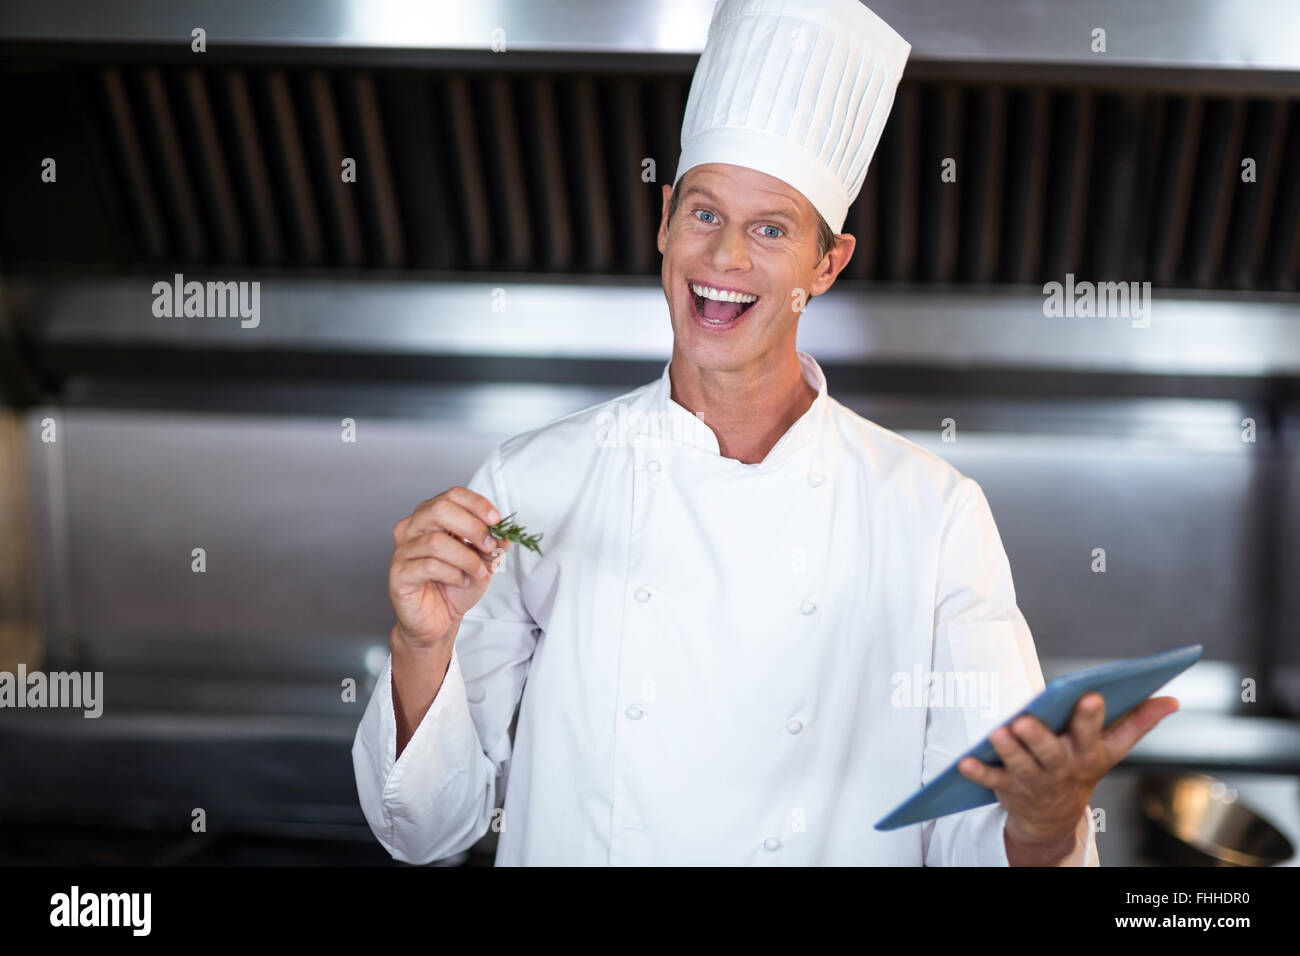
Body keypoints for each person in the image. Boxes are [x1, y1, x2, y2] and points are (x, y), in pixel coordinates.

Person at [352, 0, 1178, 866]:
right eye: (704, 214)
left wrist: (1044, 824)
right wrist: (421, 643)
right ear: (665, 220)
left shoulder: (931, 516)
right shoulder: (535, 482)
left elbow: (980, 830)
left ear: (827, 264)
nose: (725, 259)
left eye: (772, 229)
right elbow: (424, 832)